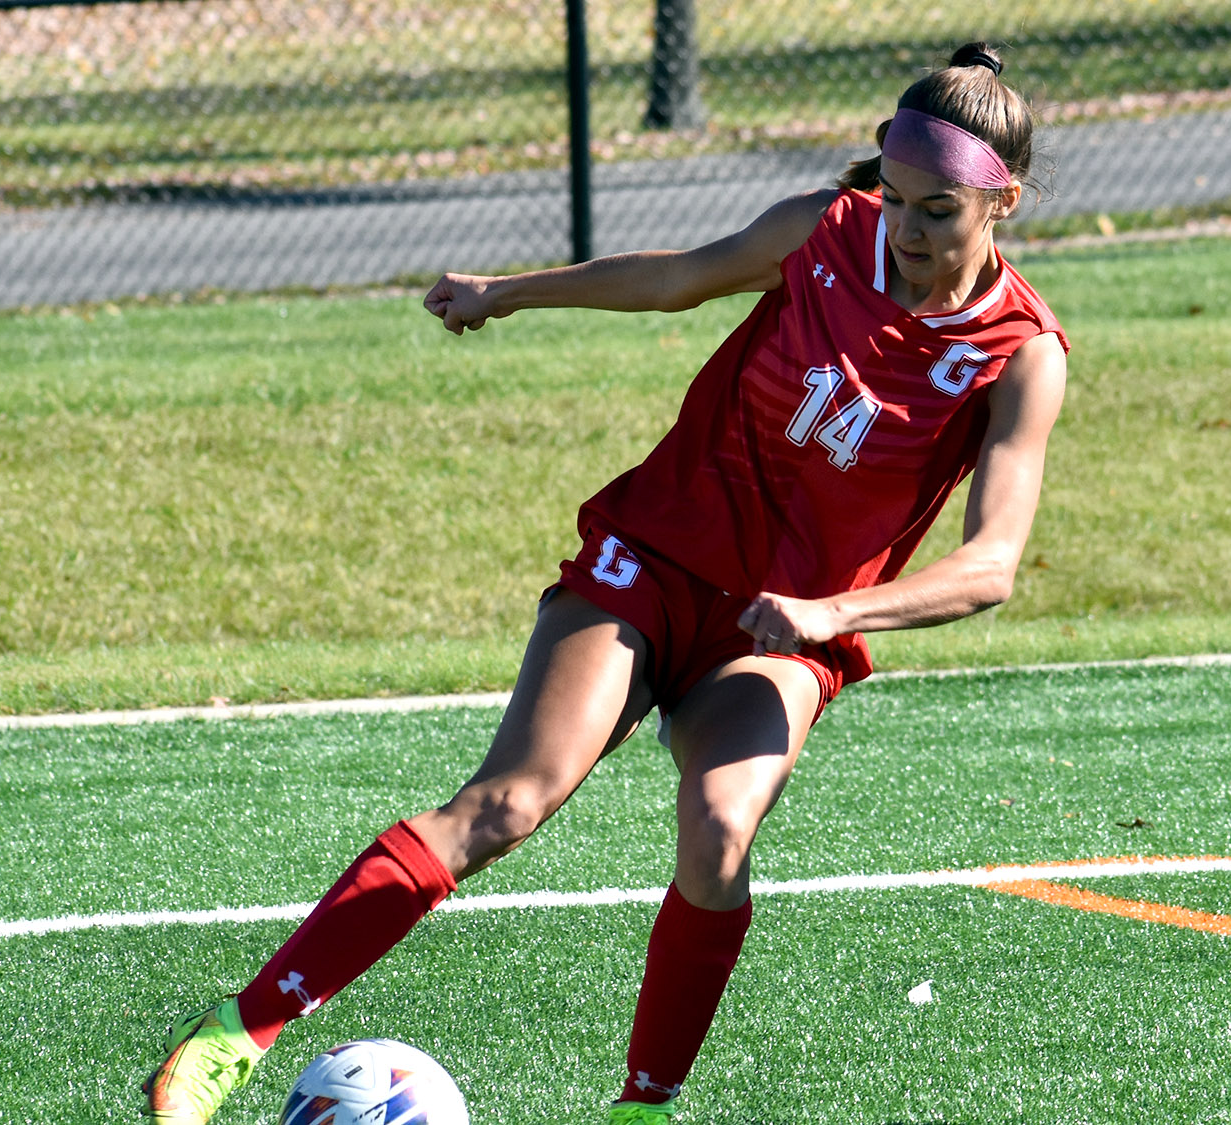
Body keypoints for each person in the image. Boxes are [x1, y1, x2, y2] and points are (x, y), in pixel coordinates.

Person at [144, 40, 1067, 1125]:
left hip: (779, 631)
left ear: (1000, 204)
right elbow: (676, 277)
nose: (905, 231)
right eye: (897, 197)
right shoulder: (824, 232)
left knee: (720, 839)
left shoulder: (1021, 353)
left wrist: (831, 614)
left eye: (938, 212)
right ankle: (233, 1033)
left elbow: (990, 564)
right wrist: (507, 293)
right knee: (504, 805)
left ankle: (640, 1108)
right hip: (655, 561)